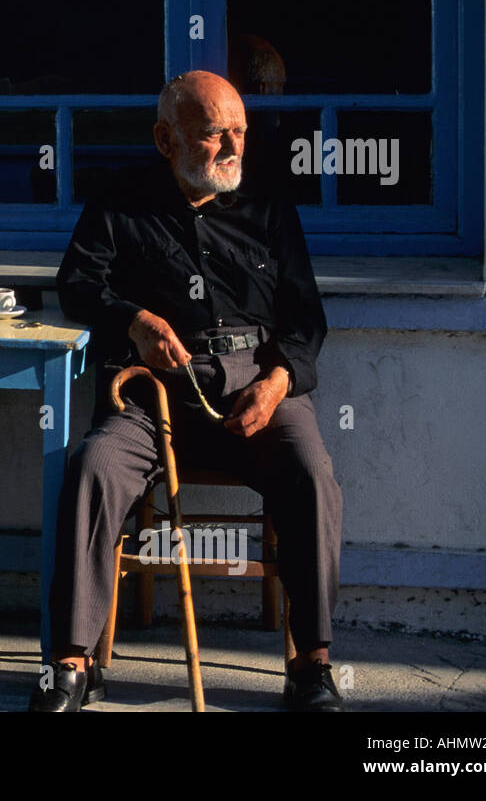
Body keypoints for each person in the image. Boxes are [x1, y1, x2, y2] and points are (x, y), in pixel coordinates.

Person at [31, 70, 344, 712]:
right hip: (155, 397)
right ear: (166, 140)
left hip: (257, 388)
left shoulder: (268, 205)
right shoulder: (121, 200)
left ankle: (311, 664)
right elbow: (77, 284)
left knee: (312, 473)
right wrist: (133, 321)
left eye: (239, 133)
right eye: (213, 135)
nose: (231, 148)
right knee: (93, 468)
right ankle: (70, 662)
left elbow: (306, 317)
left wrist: (278, 381)